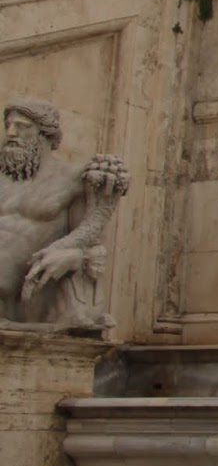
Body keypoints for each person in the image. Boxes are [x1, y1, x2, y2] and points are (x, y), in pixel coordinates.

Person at [0, 99, 129, 328]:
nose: (11, 133)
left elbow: (91, 240)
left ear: (45, 134)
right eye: (8, 126)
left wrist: (70, 255)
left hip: (27, 296)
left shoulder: (72, 178)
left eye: (21, 127)